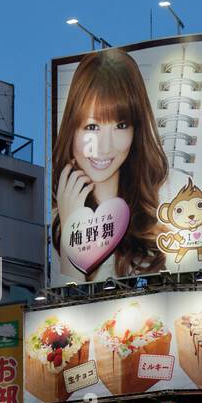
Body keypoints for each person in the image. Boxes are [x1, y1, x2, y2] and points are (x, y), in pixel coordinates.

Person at [51, 48, 169, 283]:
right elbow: (64, 302)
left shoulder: (162, 213)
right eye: (92, 127)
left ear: (137, 130)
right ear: (72, 129)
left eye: (121, 125)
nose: (104, 147)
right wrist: (71, 225)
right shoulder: (53, 218)